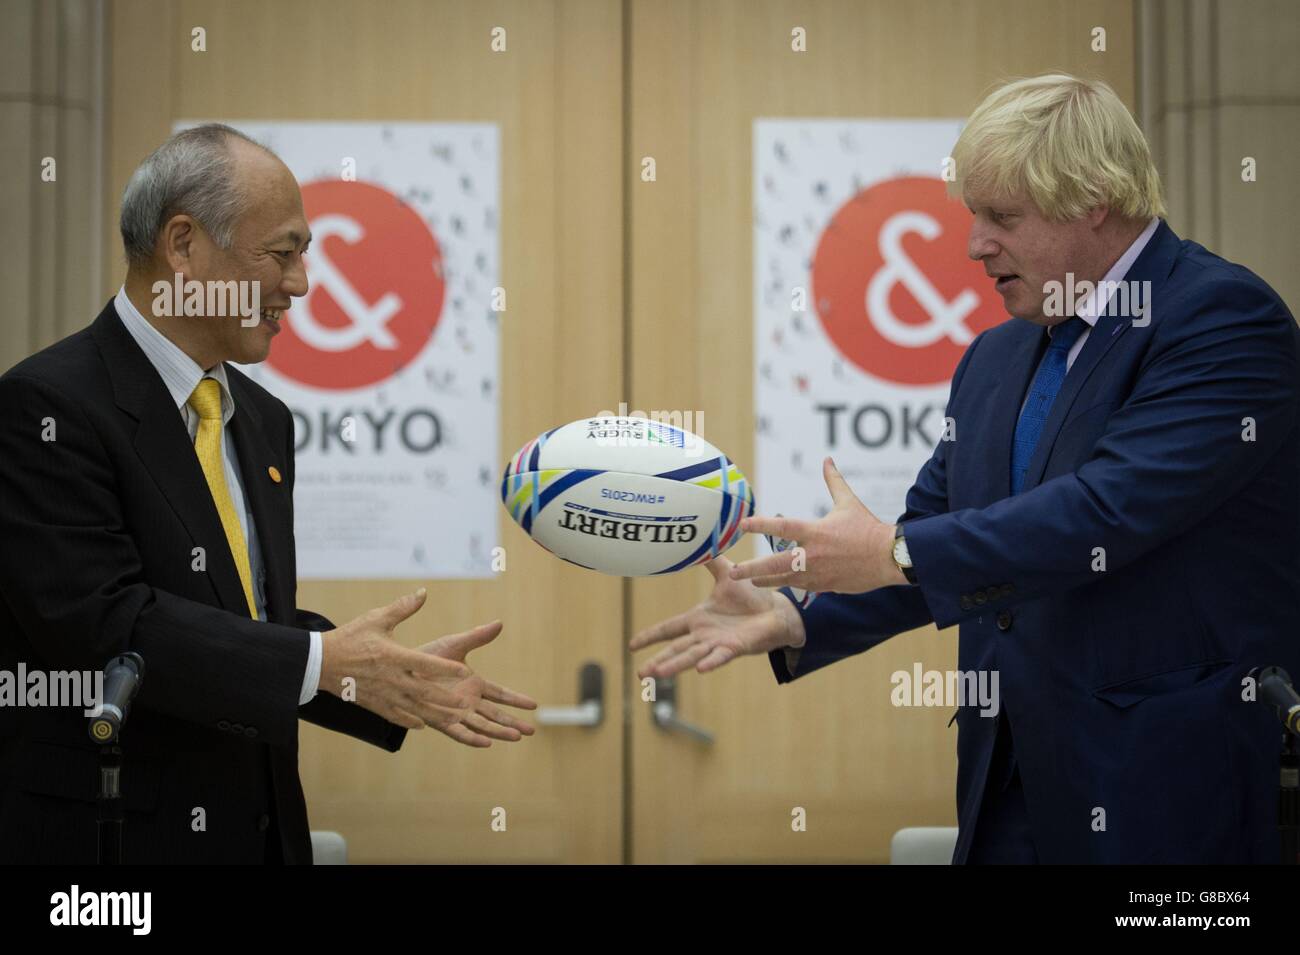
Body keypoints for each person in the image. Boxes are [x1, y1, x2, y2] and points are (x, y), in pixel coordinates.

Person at [631, 74, 1300, 864]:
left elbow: (1104, 512)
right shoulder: (995, 354)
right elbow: (937, 534)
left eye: (1002, 217)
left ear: (1093, 198)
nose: (975, 244)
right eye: (973, 215)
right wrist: (803, 616)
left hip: (1166, 800)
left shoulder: (1222, 318)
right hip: (1006, 793)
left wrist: (894, 551)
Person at [0, 124, 536, 864]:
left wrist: (372, 675)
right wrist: (325, 664)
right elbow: (107, 625)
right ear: (183, 247)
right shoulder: (45, 405)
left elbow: (242, 616)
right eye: (281, 253)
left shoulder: (261, 417)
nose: (303, 284)